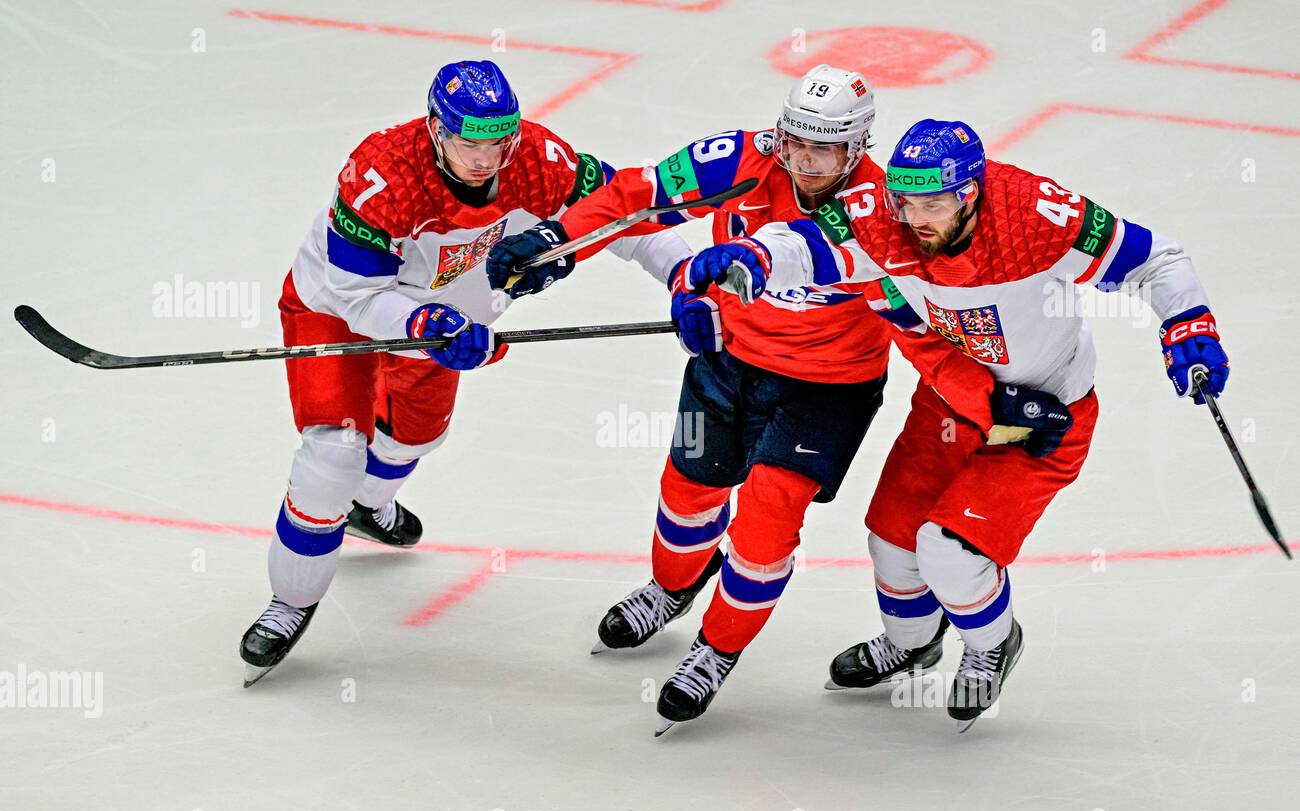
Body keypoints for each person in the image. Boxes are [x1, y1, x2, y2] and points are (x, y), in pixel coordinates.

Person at [487, 71, 1013, 735]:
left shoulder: (885, 214)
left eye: (824, 149)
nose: (804, 161)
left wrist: (994, 400)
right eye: (794, 143)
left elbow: (920, 321)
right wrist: (556, 242)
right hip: (730, 362)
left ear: (858, 148)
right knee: (687, 491)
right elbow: (634, 197)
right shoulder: (739, 159)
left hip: (829, 389)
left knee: (767, 520)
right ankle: (674, 585)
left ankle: (716, 650)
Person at [689, 118, 1230, 726]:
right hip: (950, 406)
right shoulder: (884, 219)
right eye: (905, 202)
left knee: (948, 553)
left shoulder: (1037, 218)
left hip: (1043, 422)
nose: (916, 220)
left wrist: (1188, 324)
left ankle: (992, 644)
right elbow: (805, 243)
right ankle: (912, 643)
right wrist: (753, 255)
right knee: (891, 542)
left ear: (970, 193)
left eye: (934, 204)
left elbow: (1155, 260)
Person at [241, 59, 692, 685]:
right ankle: (290, 601)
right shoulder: (383, 175)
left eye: (497, 143)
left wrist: (687, 278)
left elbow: (624, 214)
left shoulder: (537, 159)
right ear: (436, 129)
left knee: (416, 437)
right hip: (337, 310)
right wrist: (427, 323)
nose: (485, 160)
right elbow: (356, 296)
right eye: (467, 143)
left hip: (440, 319)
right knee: (333, 454)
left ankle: (368, 505)